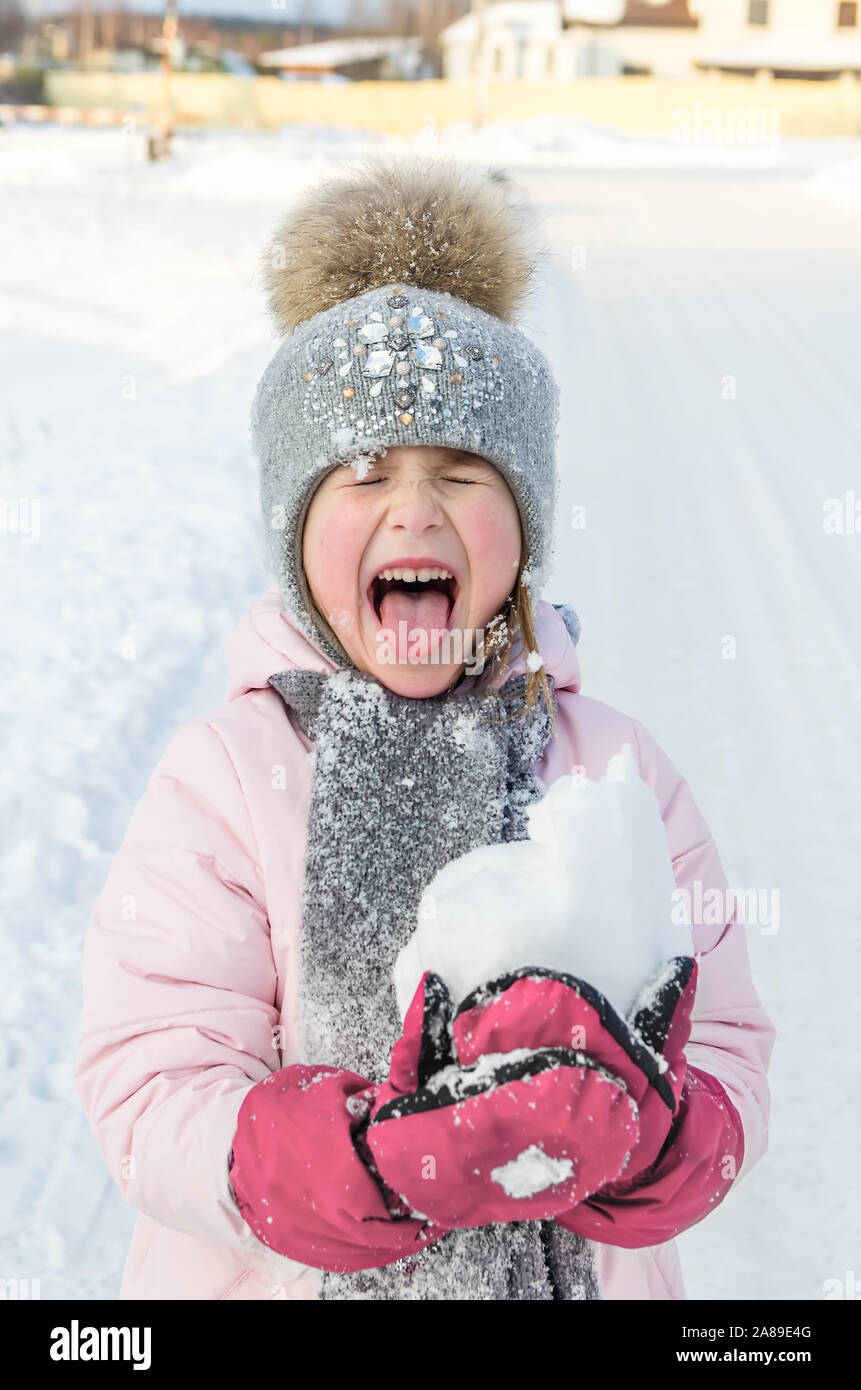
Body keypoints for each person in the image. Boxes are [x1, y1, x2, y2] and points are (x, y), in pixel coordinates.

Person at [75, 155, 775, 1301]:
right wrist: (327, 1165)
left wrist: (651, 1140)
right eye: (361, 476)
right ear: (295, 533)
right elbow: (149, 1077)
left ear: (523, 522)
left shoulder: (612, 769)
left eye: (462, 472)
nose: (414, 509)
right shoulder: (229, 778)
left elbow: (729, 1049)